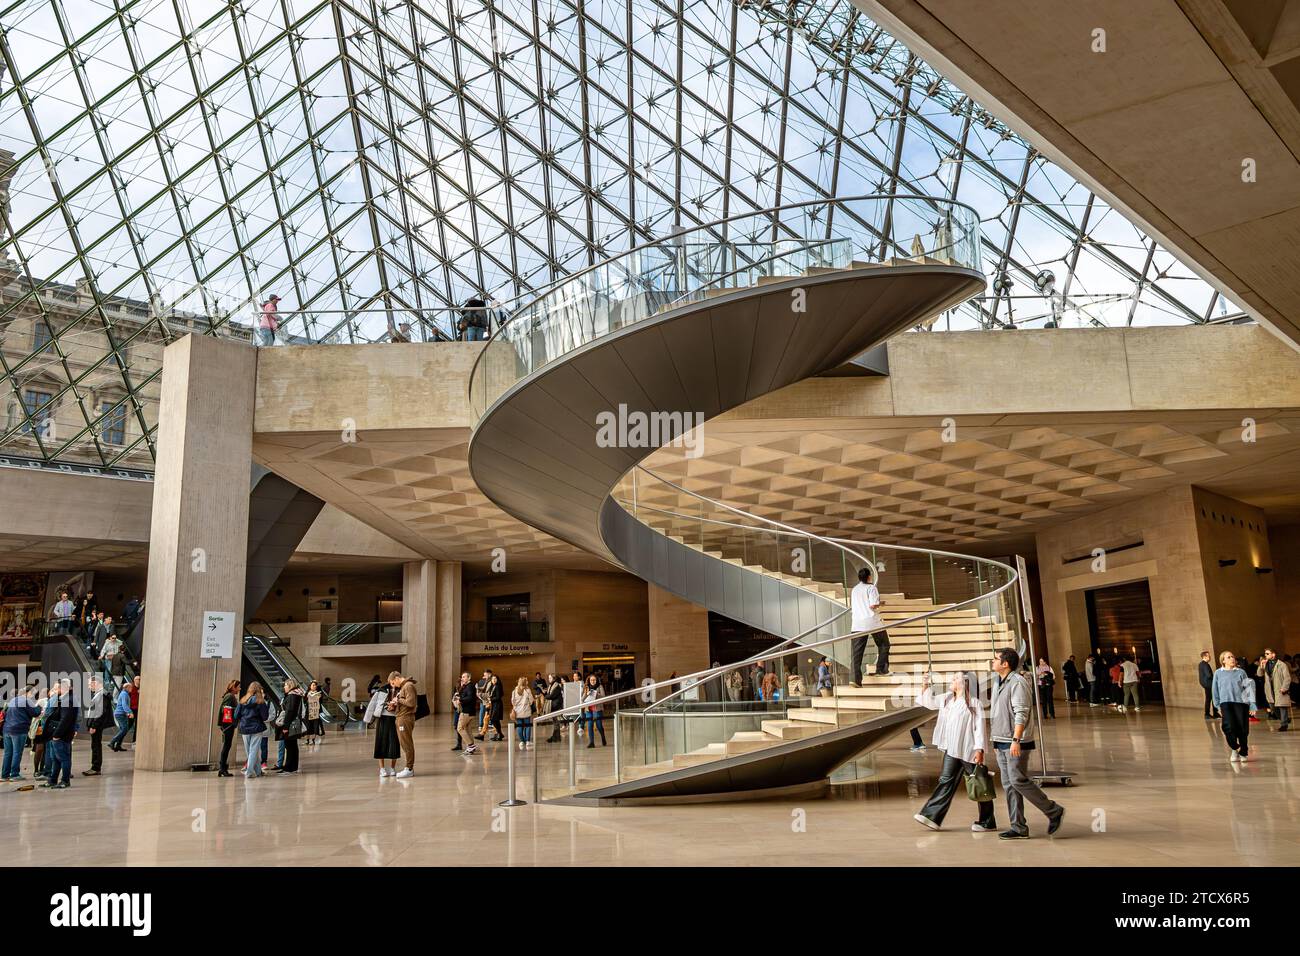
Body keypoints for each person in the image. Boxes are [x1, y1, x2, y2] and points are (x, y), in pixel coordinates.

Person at [989, 647, 1066, 840]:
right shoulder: (999, 681)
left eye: (995, 659)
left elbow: (1021, 713)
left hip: (1015, 741)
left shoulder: (1018, 682)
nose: (992, 661)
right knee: (1008, 784)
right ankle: (1018, 827)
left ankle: (1053, 810)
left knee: (1017, 780)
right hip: (1000, 740)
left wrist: (1016, 739)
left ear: (1005, 663)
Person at [912, 672, 996, 832]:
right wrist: (925, 684)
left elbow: (979, 729)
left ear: (965, 683)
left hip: (969, 750)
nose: (952, 680)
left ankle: (988, 821)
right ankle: (932, 816)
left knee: (979, 783)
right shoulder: (947, 699)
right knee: (945, 780)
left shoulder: (974, 703)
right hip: (952, 748)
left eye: (956, 678)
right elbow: (928, 702)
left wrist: (980, 749)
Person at [1213, 652, 1257, 762]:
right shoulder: (1218, 673)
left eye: (1232, 656)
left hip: (1241, 703)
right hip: (1225, 704)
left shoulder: (1241, 672)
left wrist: (1252, 705)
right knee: (1228, 727)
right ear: (1223, 661)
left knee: (1242, 728)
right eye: (1229, 657)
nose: (1232, 659)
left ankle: (1243, 752)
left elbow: (1248, 689)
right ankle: (1235, 747)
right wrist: (1217, 706)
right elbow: (1215, 691)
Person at [849, 566, 888, 684]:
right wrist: (880, 603)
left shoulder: (854, 589)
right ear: (869, 577)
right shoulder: (871, 588)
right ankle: (881, 669)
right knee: (884, 644)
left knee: (857, 654)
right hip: (872, 622)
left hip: (857, 624)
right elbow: (872, 605)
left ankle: (855, 680)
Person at [41, 679, 78, 789]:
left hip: (62, 735)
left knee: (63, 758)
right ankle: (53, 780)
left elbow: (65, 720)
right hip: (56, 734)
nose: (56, 689)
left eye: (58, 688)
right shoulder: (62, 698)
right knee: (55, 759)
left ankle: (65, 781)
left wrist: (56, 735)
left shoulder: (69, 700)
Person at [2, 683, 41, 781]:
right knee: (17, 752)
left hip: (7, 729)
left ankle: (5, 774)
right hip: (19, 730)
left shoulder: (13, 700)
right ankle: (14, 774)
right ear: (29, 692)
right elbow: (35, 713)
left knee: (8, 753)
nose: (33, 696)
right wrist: (39, 707)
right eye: (32, 694)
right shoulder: (26, 701)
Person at [234, 683, 270, 778]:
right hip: (256, 728)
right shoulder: (260, 701)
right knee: (253, 751)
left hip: (244, 728)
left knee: (250, 751)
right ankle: (249, 772)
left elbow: (236, 715)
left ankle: (258, 772)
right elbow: (265, 717)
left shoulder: (243, 700)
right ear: (259, 690)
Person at [364, 682, 399, 776]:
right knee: (381, 742)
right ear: (390, 680)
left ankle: (392, 768)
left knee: (394, 743)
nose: (394, 684)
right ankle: (382, 769)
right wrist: (368, 719)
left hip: (394, 719)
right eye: (393, 681)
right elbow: (372, 704)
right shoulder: (381, 691)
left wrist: (395, 706)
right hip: (382, 718)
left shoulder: (400, 690)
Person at [387, 670, 418, 777]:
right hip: (401, 717)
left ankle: (409, 768)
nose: (393, 686)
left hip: (405, 718)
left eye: (393, 683)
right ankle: (408, 767)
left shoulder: (408, 686)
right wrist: (394, 704)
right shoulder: (404, 687)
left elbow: (411, 702)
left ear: (396, 678)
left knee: (406, 743)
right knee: (404, 743)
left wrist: (398, 700)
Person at [82, 676, 115, 776]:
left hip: (97, 725)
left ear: (95, 683)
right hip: (95, 724)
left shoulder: (102, 694)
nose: (88, 686)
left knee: (96, 746)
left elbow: (101, 712)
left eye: (89, 684)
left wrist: (94, 726)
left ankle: (96, 768)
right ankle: (95, 767)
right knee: (95, 745)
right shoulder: (98, 694)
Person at [276, 679, 306, 774]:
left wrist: (285, 727)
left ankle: (289, 767)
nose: (284, 687)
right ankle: (292, 766)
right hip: (293, 723)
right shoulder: (297, 695)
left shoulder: (292, 696)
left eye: (285, 685)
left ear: (290, 686)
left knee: (289, 745)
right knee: (292, 745)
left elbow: (290, 712)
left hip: (290, 724)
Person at [216, 679, 241, 777]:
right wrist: (237, 710)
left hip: (228, 725)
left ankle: (223, 767)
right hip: (228, 725)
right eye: (238, 687)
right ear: (233, 687)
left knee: (227, 745)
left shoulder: (230, 696)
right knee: (227, 746)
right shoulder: (230, 696)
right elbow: (224, 709)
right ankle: (222, 768)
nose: (239, 689)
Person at [1263, 648, 1291, 731]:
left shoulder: (1282, 665)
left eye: (1267, 654)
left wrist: (1284, 688)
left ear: (1273, 654)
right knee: (1273, 708)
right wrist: (1261, 666)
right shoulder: (1265, 664)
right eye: (1265, 654)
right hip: (1270, 689)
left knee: (1282, 707)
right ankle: (1285, 719)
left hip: (1279, 688)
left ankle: (1284, 724)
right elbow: (1259, 674)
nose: (1265, 655)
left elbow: (1287, 678)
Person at [455, 672, 479, 756]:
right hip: (469, 711)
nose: (462, 678)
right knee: (467, 729)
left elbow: (470, 698)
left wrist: (460, 700)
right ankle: (471, 748)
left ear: (469, 678)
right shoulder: (467, 686)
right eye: (462, 677)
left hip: (466, 711)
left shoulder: (470, 686)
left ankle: (470, 745)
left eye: (464, 677)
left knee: (460, 728)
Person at [582, 674, 606, 747]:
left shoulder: (600, 686)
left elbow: (603, 696)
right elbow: (582, 699)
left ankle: (603, 737)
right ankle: (591, 742)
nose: (593, 681)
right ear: (589, 681)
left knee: (599, 726)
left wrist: (596, 694)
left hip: (597, 709)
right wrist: (587, 694)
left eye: (594, 680)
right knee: (590, 725)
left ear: (596, 680)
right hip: (589, 709)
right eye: (591, 680)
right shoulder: (586, 687)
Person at [108, 679, 133, 751]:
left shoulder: (123, 693)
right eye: (130, 687)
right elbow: (124, 705)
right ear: (127, 688)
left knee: (123, 730)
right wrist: (130, 712)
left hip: (120, 714)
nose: (131, 689)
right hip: (120, 714)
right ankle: (112, 742)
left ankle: (118, 745)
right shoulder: (124, 694)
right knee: (124, 729)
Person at [512, 677, 534, 750]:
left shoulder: (514, 691)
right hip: (526, 711)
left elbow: (513, 702)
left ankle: (522, 741)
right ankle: (527, 741)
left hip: (517, 712)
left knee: (519, 726)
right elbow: (531, 701)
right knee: (527, 726)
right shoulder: (527, 690)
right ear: (525, 683)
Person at [303, 680, 325, 746]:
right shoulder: (307, 693)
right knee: (308, 726)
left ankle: (313, 740)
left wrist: (320, 697)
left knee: (315, 727)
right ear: (310, 686)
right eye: (313, 685)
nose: (314, 686)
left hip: (315, 712)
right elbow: (304, 702)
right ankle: (307, 740)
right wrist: (306, 697)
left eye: (315, 685)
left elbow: (321, 702)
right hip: (308, 712)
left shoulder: (318, 694)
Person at [1199, 651, 1218, 719]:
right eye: (1209, 656)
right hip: (1209, 684)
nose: (1210, 657)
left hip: (1205, 684)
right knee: (1212, 698)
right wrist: (1215, 678)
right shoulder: (1205, 664)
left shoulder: (1201, 664)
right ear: (1204, 657)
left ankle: (1211, 713)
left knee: (1209, 699)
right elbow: (1208, 675)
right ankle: (1210, 714)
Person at [545, 675, 564, 742]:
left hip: (556, 706)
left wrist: (545, 696)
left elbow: (551, 696)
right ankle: (556, 737)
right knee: (555, 722)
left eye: (550, 678)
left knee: (556, 722)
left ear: (554, 679)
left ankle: (556, 737)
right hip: (553, 705)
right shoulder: (552, 685)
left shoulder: (556, 686)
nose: (548, 679)